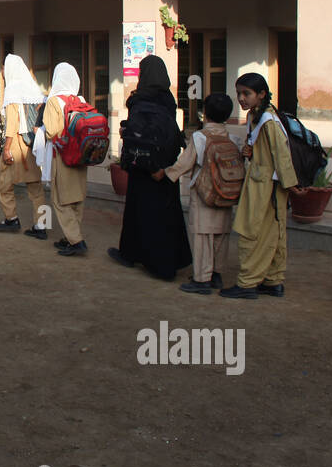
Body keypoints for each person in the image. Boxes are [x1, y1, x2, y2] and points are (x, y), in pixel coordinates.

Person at [107, 55, 192, 281]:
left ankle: (154, 263)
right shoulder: (168, 100)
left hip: (144, 170)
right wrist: (164, 166)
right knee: (166, 214)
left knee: (141, 214)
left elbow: (139, 138)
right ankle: (170, 259)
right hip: (166, 168)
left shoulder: (140, 100)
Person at [221, 72, 299, 299]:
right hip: (264, 182)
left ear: (261, 94)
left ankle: (247, 283)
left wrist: (291, 186)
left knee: (252, 232)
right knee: (273, 233)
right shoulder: (258, 116)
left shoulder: (268, 121)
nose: (242, 98)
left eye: (247, 93)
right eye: (239, 94)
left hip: (265, 186)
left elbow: (282, 156)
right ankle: (273, 280)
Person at [167, 92, 238, 295]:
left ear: (205, 114)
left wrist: (167, 174)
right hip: (226, 193)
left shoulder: (200, 137)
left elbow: (185, 163)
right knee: (221, 234)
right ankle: (216, 274)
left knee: (202, 235)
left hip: (204, 193)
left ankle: (201, 279)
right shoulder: (232, 138)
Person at [0, 54, 47, 235]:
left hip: (16, 143)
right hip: (32, 143)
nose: (1, 72)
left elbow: (12, 123)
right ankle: (43, 226)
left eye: (2, 68)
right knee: (36, 187)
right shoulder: (33, 89)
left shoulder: (13, 90)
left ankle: (11, 219)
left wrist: (6, 148)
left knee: (3, 182)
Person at [42, 62, 89, 255]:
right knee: (77, 197)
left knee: (60, 198)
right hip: (81, 155)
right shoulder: (80, 99)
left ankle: (76, 241)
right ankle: (70, 236)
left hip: (63, 155)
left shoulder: (54, 101)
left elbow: (52, 131)